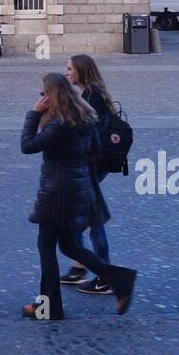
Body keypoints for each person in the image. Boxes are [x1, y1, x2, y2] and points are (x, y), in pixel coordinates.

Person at [21, 73, 137, 319]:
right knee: (69, 245)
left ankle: (49, 307)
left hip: (56, 195)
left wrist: (33, 114)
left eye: (44, 94)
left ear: (53, 95)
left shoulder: (60, 125)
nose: (41, 98)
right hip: (78, 192)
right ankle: (120, 278)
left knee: (47, 248)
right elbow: (95, 151)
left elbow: (28, 145)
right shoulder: (85, 118)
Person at [61, 54, 117, 295]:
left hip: (93, 163)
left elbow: (83, 130)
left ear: (81, 72)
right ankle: (80, 265)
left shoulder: (91, 94)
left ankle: (104, 276)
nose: (66, 72)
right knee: (81, 214)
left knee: (93, 220)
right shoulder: (88, 92)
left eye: (69, 69)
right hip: (93, 161)